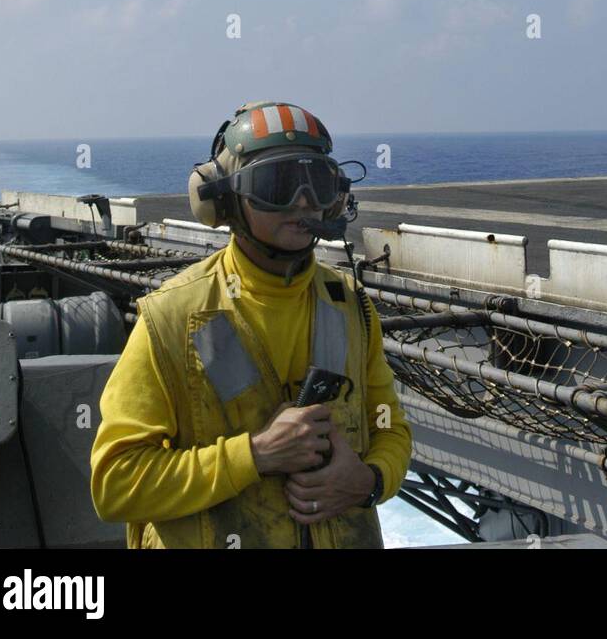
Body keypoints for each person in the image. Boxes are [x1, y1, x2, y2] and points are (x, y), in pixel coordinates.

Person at [90, 100, 412, 548]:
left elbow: (390, 428)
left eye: (316, 183)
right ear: (222, 199)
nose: (304, 203)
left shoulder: (349, 305)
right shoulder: (171, 318)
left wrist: (369, 481)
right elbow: (116, 485)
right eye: (278, 184)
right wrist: (255, 455)